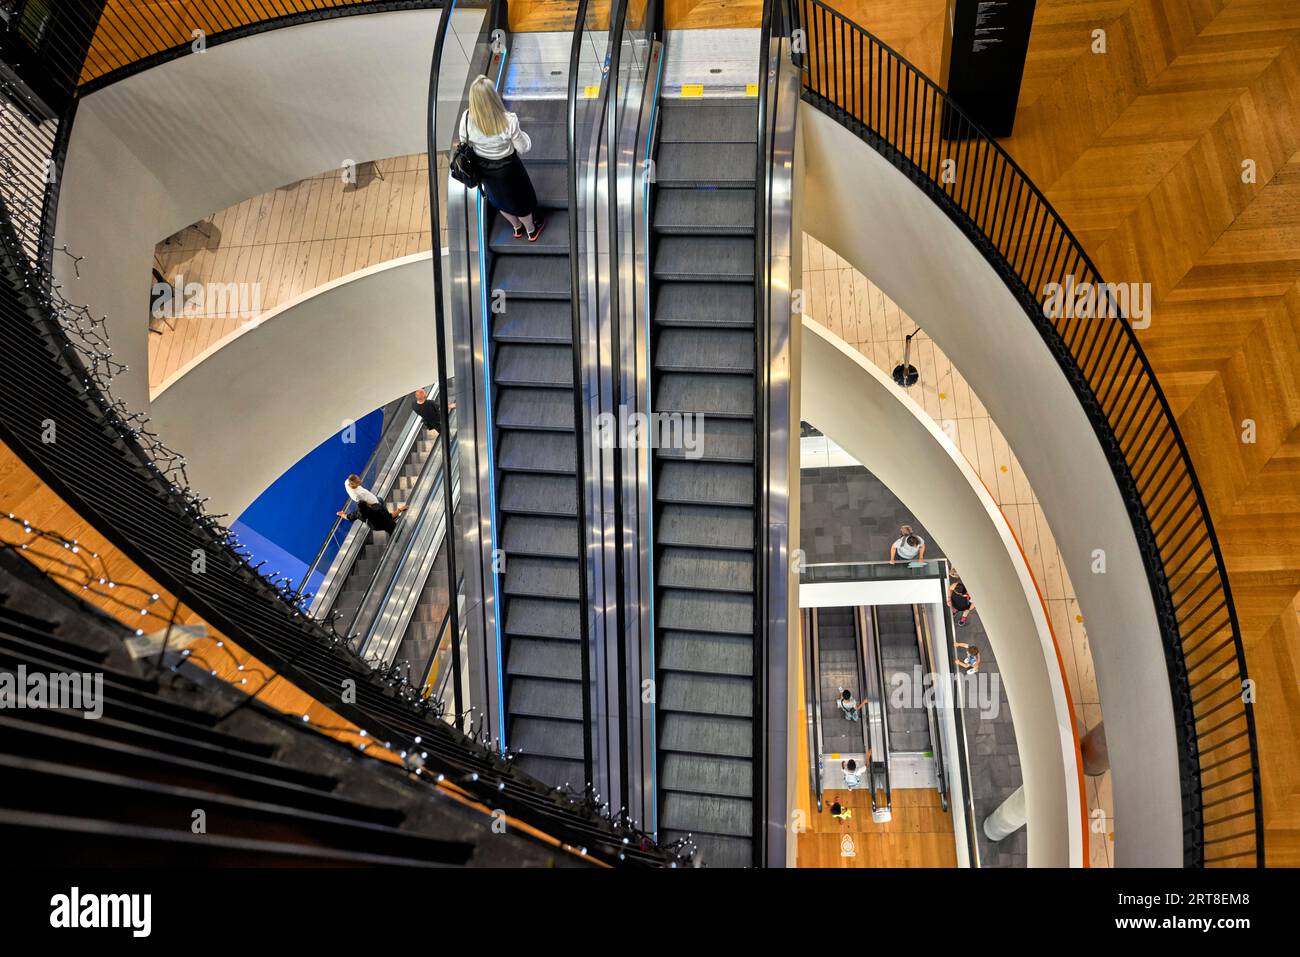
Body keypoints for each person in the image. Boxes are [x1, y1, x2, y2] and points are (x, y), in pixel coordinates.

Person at [460, 76, 545, 241]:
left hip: (484, 169)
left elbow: (463, 140)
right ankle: (531, 230)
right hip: (508, 170)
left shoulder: (466, 118)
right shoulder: (508, 120)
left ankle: (516, 228)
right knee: (522, 201)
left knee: (499, 199)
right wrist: (524, 135)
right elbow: (524, 147)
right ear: (493, 97)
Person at [337, 474, 406, 533]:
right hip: (382, 523)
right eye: (358, 481)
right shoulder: (377, 509)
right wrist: (400, 510)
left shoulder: (359, 513)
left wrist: (342, 514)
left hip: (374, 526)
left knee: (380, 500)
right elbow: (389, 516)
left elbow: (349, 517)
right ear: (368, 504)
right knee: (391, 526)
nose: (360, 481)